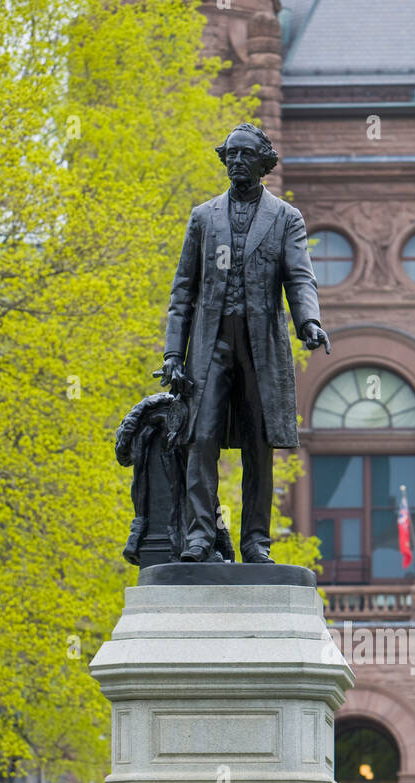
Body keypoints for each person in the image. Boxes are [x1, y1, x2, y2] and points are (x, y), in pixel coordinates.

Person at [162, 123, 330, 562]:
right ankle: (200, 536)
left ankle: (256, 541)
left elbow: (299, 277)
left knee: (260, 443)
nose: (236, 161)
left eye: (244, 154)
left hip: (260, 344)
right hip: (210, 342)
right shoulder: (203, 217)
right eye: (230, 154)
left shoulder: (286, 217)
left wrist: (308, 322)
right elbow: (183, 291)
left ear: (263, 163)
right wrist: (172, 354)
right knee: (201, 436)